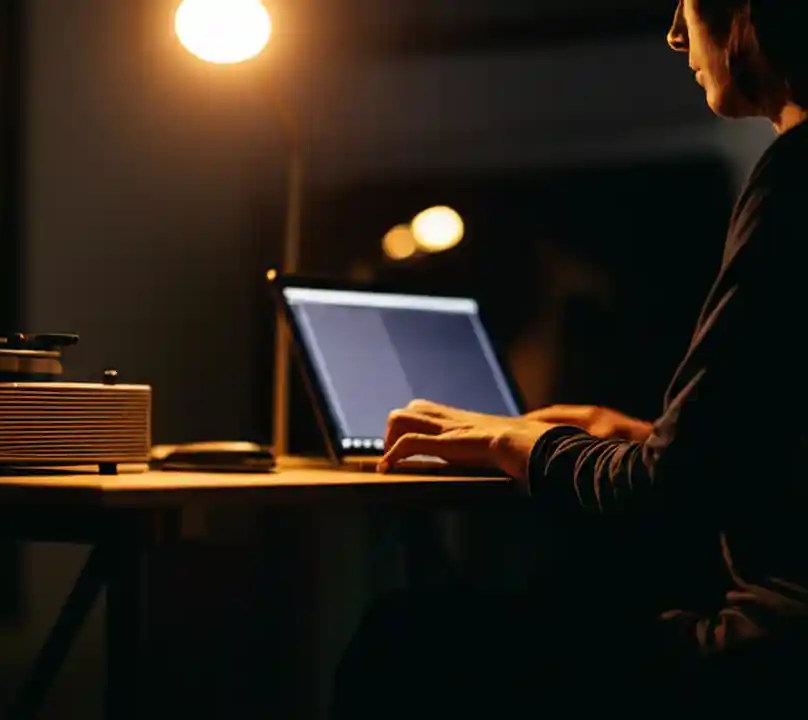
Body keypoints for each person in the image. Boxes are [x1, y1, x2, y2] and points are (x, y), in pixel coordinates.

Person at [333, 0, 808, 714]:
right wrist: (652, 437)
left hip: (774, 655)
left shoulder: (795, 181)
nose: (676, 34)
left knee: (401, 641)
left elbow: (663, 495)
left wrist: (520, 442)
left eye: (685, 6)